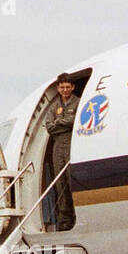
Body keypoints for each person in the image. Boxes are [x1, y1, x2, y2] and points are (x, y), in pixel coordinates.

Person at [42, 73, 79, 231]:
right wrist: (64, 123)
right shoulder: (54, 105)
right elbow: (49, 126)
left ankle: (76, 217)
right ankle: (64, 221)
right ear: (58, 88)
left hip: (71, 142)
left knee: (72, 181)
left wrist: (59, 123)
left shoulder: (77, 102)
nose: (65, 90)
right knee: (60, 182)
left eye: (67, 87)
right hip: (58, 144)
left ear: (72, 87)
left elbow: (76, 121)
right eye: (62, 87)